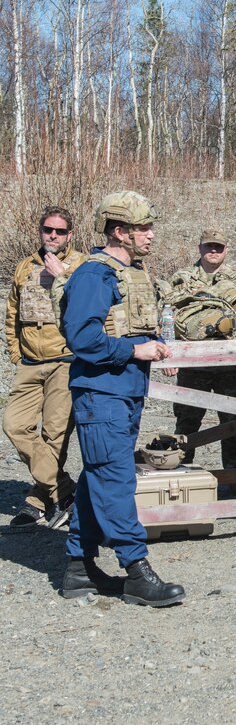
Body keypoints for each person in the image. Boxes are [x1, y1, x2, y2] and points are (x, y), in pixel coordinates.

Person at [57, 191, 185, 607]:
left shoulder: (132, 273)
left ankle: (79, 567)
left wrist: (150, 342)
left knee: (97, 474)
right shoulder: (95, 275)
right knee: (116, 478)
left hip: (123, 392)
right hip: (101, 394)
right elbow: (82, 338)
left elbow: (122, 328)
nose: (150, 235)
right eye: (143, 228)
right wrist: (134, 350)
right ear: (119, 232)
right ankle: (136, 570)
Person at [3, 207, 85, 531]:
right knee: (14, 425)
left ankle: (37, 502)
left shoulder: (80, 266)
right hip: (29, 363)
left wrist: (63, 274)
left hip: (63, 362)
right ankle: (65, 492)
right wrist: (14, 351)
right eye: (47, 229)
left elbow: (86, 307)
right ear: (40, 230)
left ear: (70, 235)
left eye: (60, 231)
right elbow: (12, 312)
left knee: (55, 436)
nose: (53, 235)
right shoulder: (25, 267)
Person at [166, 228, 236, 477]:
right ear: (200, 248)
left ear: (226, 250)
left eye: (218, 247)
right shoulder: (182, 278)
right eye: (209, 246)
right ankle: (181, 477)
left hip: (229, 365)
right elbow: (168, 317)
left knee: (234, 423)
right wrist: (170, 355)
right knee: (187, 424)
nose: (213, 251)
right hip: (193, 366)